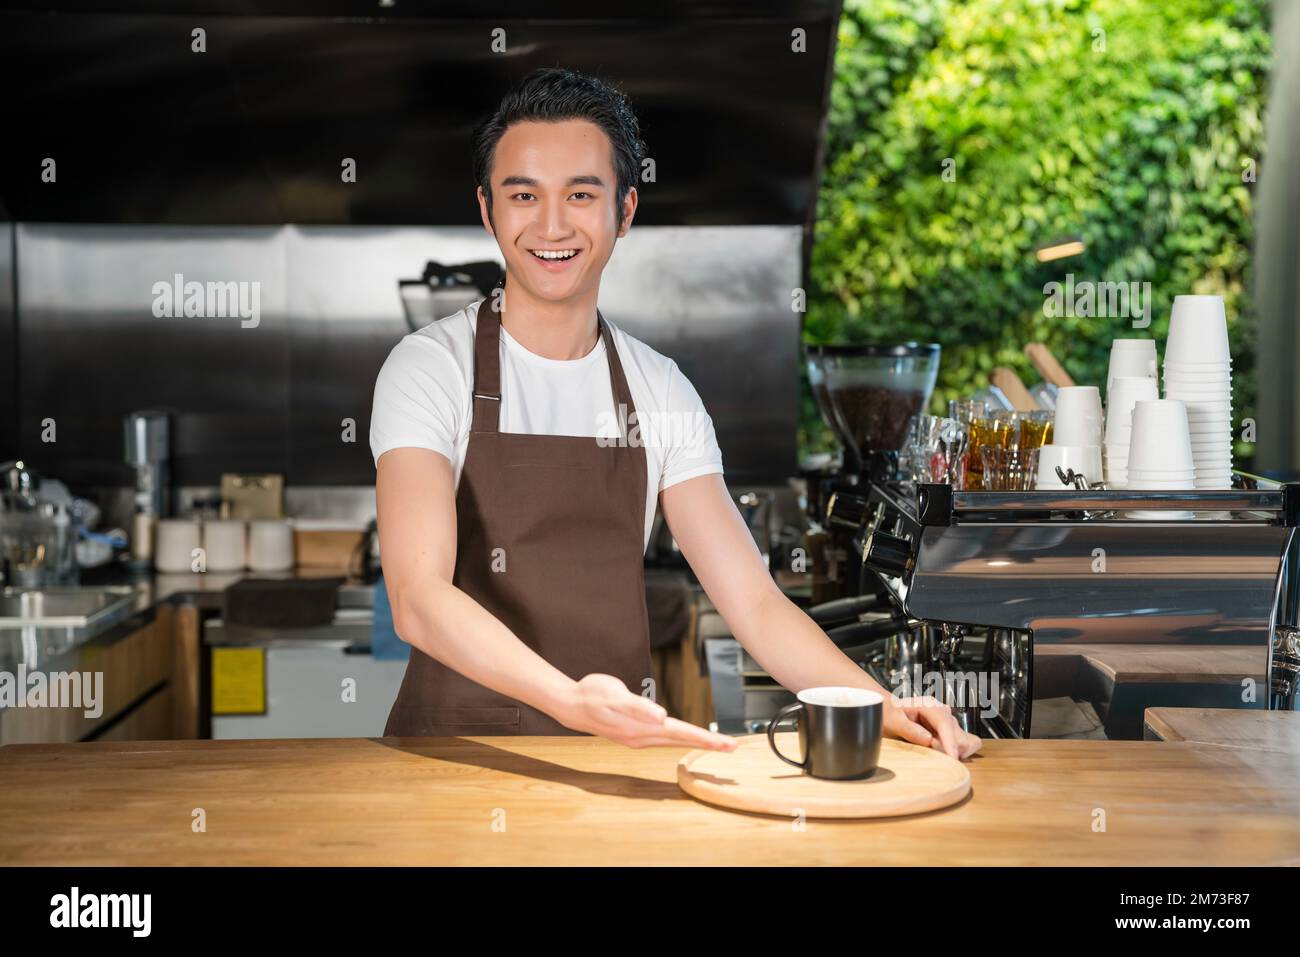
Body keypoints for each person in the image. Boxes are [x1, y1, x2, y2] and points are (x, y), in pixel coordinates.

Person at [370, 67, 980, 759]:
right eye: (523, 195)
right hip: (456, 760)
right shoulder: (430, 367)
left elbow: (751, 601)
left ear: (624, 212)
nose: (549, 224)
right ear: (488, 210)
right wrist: (569, 700)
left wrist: (880, 705)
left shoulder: (657, 390)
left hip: (610, 760)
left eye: (580, 194)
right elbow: (416, 597)